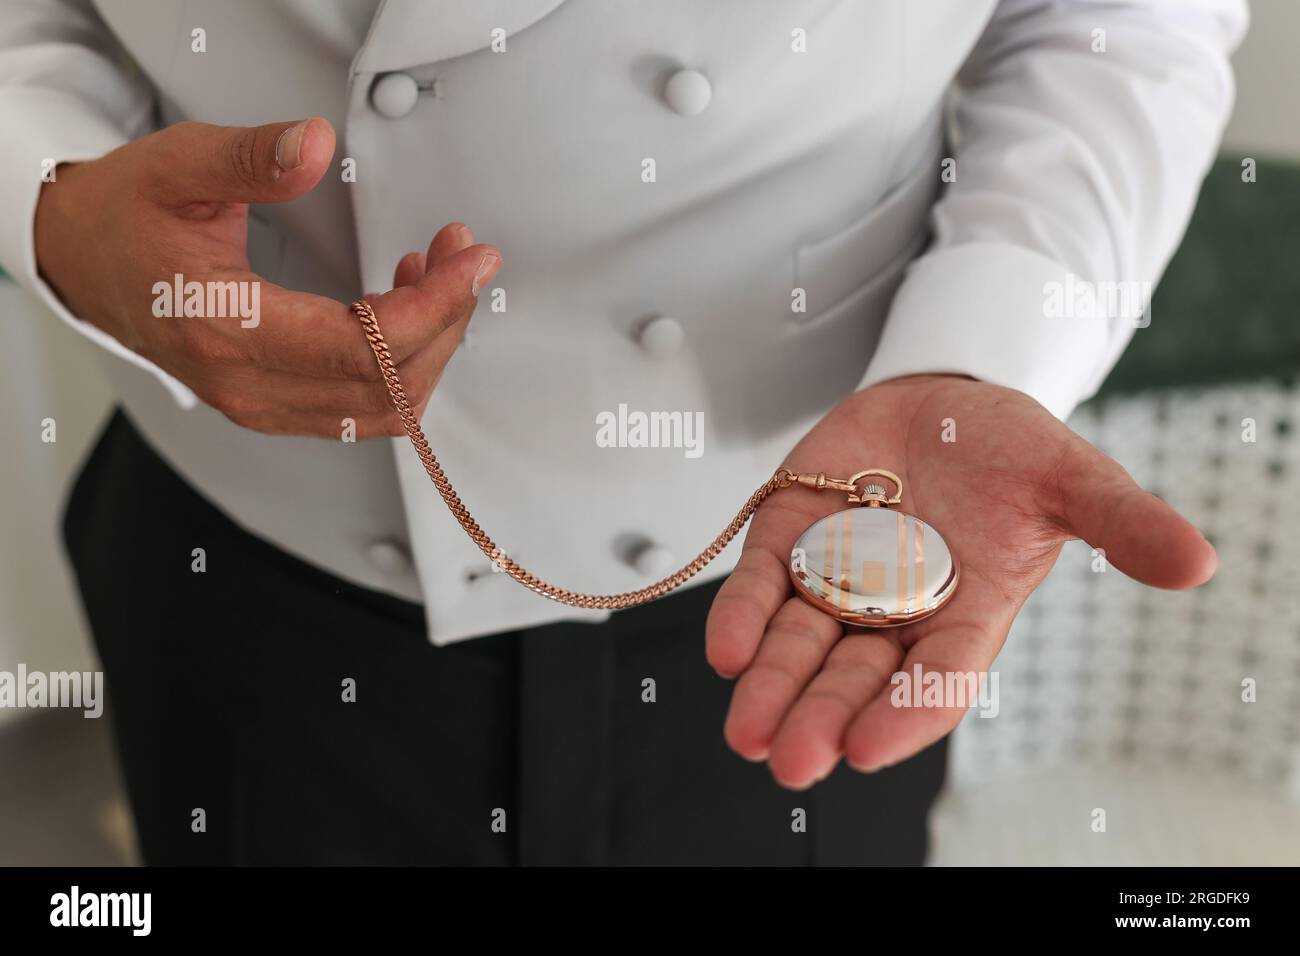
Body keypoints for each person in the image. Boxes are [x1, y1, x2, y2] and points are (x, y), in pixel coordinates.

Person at [0, 0, 1244, 865]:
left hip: (802, 596)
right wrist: (49, 199)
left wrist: (991, 349)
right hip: (259, 568)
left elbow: (1123, 19)